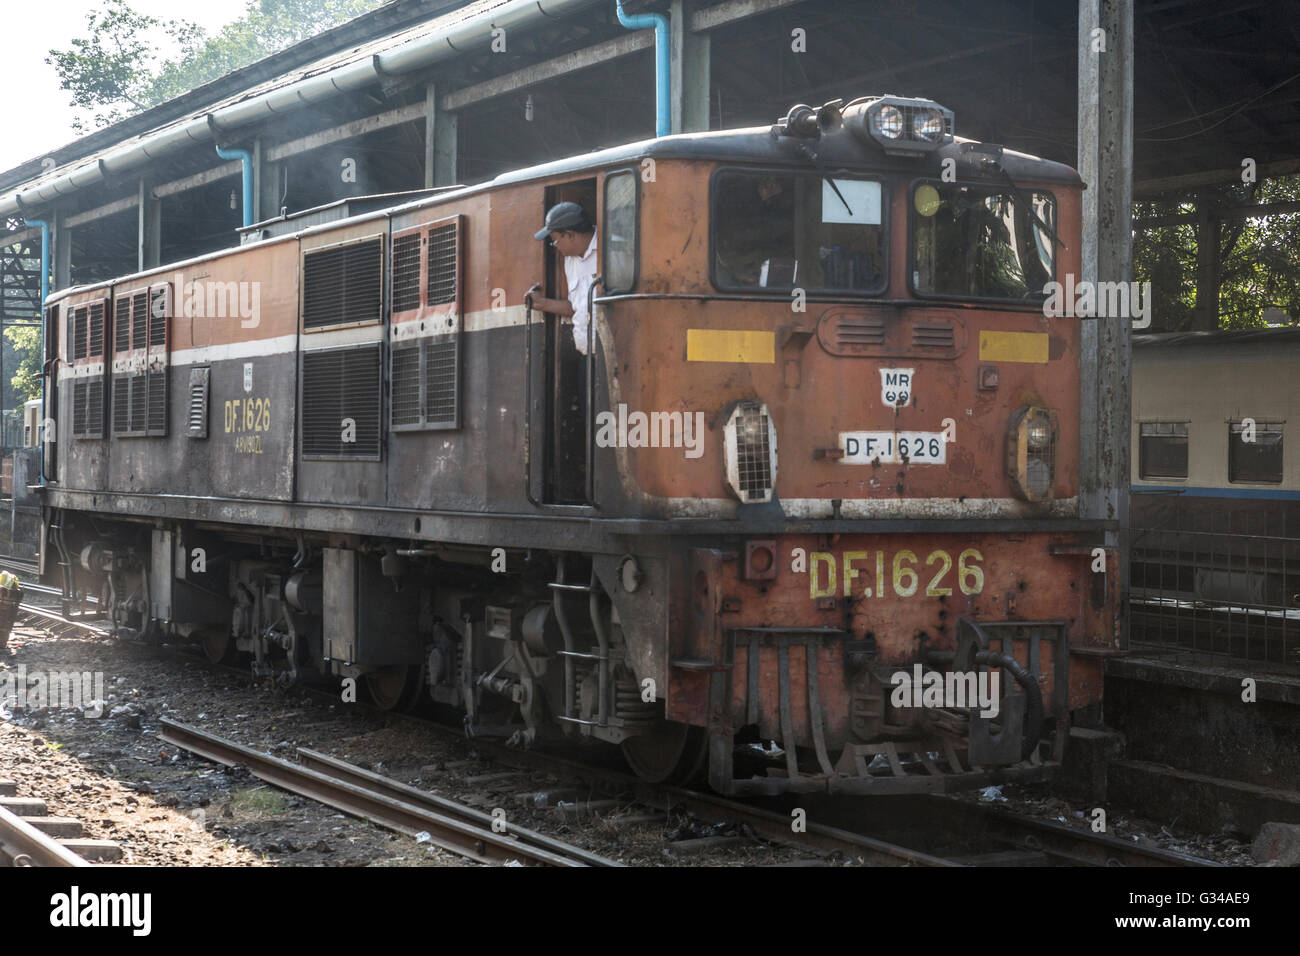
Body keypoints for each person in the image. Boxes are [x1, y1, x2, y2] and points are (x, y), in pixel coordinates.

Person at [526, 202, 598, 355]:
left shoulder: (613, 248)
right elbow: (576, 307)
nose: (555, 246)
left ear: (570, 234)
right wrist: (542, 304)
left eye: (556, 240)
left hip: (612, 354)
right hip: (587, 354)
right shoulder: (570, 261)